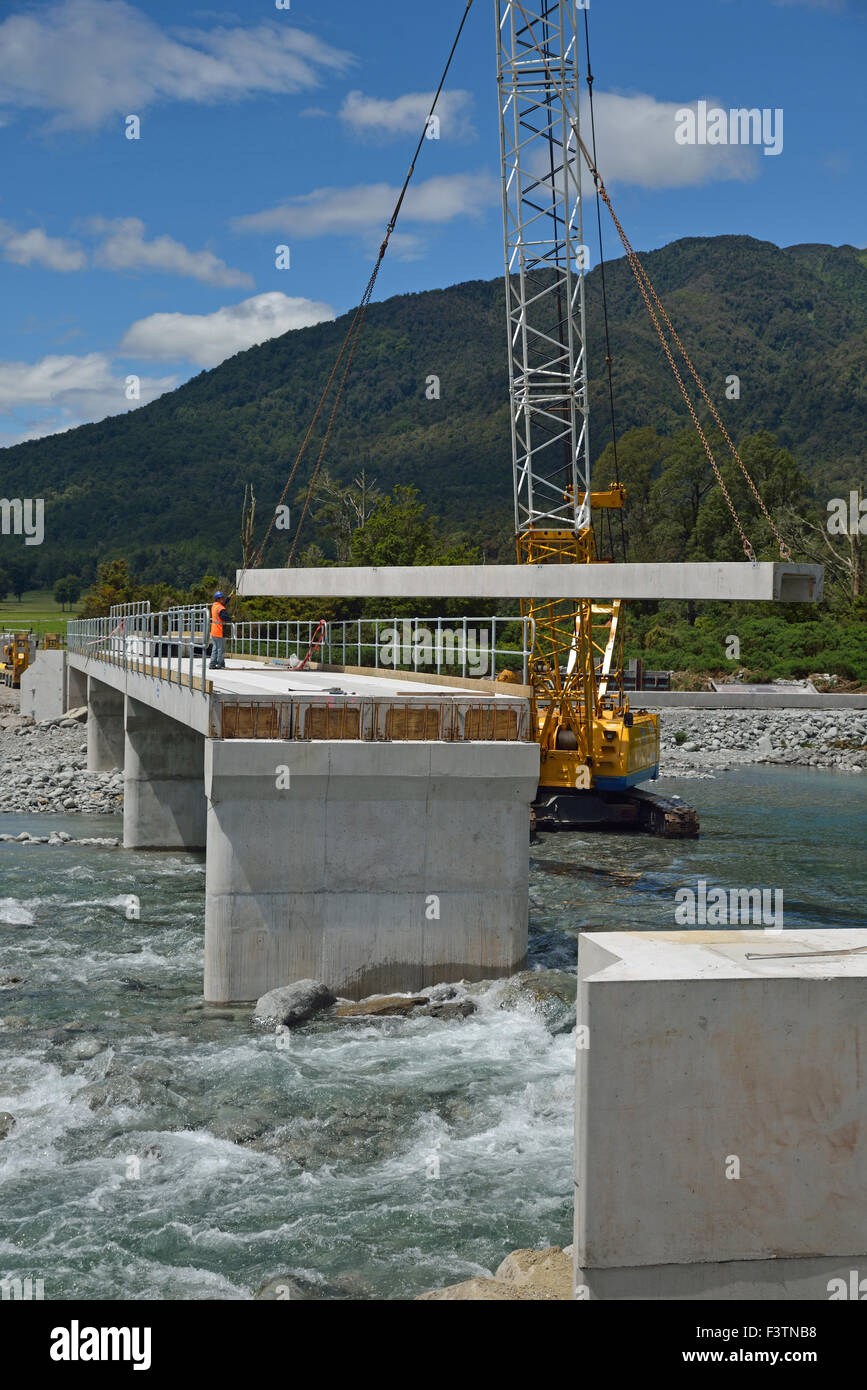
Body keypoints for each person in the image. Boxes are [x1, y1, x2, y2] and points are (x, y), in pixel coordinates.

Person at [209, 591, 231, 669]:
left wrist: (229, 597)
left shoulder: (214, 606)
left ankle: (212, 664)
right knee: (221, 649)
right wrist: (231, 618)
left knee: (215, 648)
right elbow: (224, 617)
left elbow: (223, 603)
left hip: (214, 631)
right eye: (222, 598)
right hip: (219, 631)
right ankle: (220, 664)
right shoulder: (221, 608)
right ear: (218, 599)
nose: (223, 599)